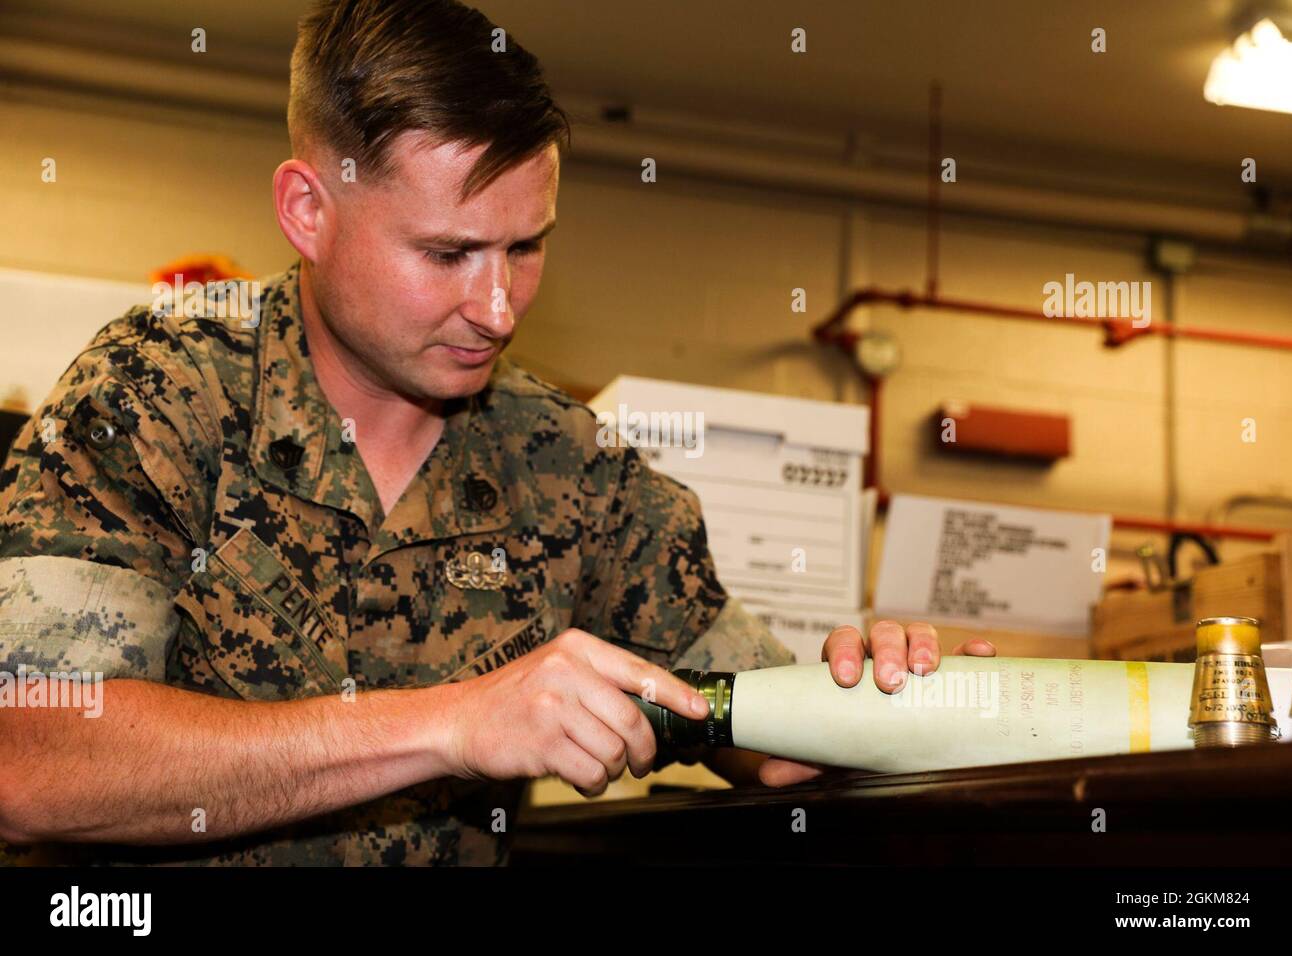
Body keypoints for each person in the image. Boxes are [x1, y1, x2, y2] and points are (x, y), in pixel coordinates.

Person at [0, 0, 994, 865]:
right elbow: (34, 757)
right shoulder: (158, 389)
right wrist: (453, 722)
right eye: (448, 252)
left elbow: (757, 732)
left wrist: (875, 693)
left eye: (527, 247)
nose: (497, 306)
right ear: (309, 209)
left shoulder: (570, 468)